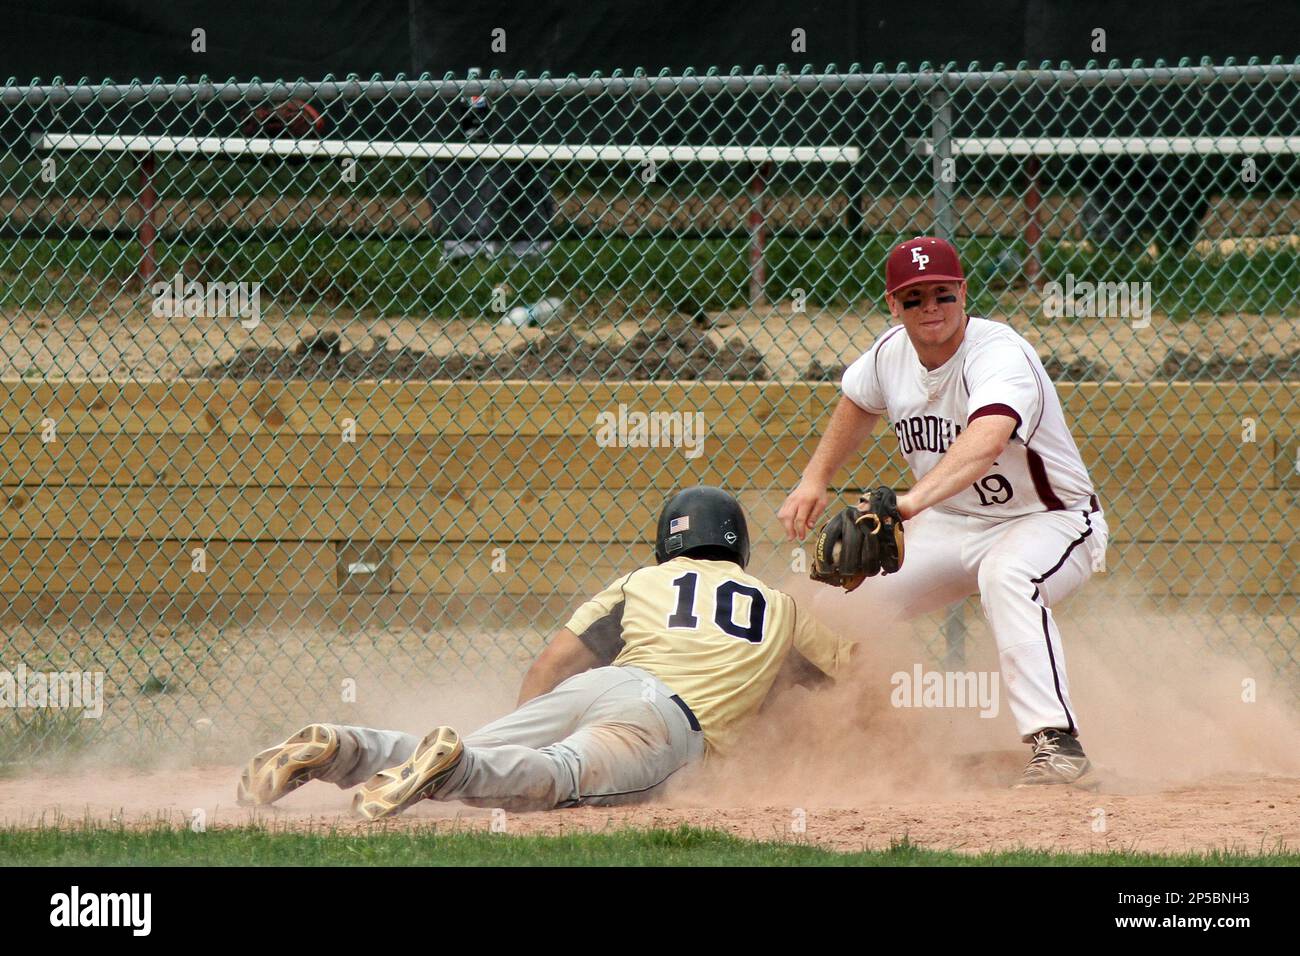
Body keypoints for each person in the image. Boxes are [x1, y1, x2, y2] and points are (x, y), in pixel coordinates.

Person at [238, 486, 855, 818]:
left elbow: (551, 665)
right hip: (665, 724)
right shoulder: (781, 606)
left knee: (485, 749)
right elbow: (849, 678)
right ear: (739, 546)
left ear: (668, 544)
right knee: (558, 775)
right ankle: (455, 770)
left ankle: (342, 746)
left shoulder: (641, 581)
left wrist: (528, 725)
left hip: (600, 686)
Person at [778, 236, 1108, 787]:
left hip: (1050, 519)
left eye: (941, 294)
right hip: (954, 523)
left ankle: (1058, 746)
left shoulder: (999, 354)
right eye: (914, 299)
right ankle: (799, 733)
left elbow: (986, 440)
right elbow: (859, 400)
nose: (929, 308)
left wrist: (907, 505)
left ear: (963, 293)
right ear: (893, 305)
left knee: (1008, 575)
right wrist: (815, 479)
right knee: (829, 601)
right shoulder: (890, 354)